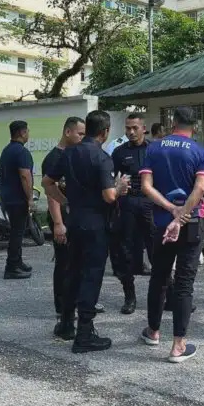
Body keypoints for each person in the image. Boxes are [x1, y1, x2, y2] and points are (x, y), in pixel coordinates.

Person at [44, 110, 129, 353]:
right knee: (91, 275)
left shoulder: (68, 153)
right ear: (104, 132)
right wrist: (119, 187)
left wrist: (67, 201)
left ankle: (65, 324)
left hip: (74, 221)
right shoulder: (102, 158)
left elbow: (47, 183)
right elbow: (108, 195)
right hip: (95, 224)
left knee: (72, 272)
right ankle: (84, 333)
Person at [139, 106, 204, 363]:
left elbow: (146, 187)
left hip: (160, 220)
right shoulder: (200, 151)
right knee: (183, 281)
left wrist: (170, 210)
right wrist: (182, 216)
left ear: (173, 122)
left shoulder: (154, 148)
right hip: (192, 222)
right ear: (195, 126)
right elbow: (200, 188)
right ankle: (178, 346)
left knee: (159, 276)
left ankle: (153, 332)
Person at [41, 117, 105, 321]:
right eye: (79, 133)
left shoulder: (74, 155)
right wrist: (59, 223)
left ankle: (78, 302)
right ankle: (62, 308)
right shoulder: (55, 158)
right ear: (67, 132)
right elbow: (50, 192)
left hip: (75, 217)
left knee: (76, 263)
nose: (83, 137)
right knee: (64, 264)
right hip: (63, 220)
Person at [110, 112, 156, 314]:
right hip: (127, 203)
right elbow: (111, 178)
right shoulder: (119, 152)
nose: (131, 132)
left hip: (150, 204)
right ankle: (129, 297)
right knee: (125, 251)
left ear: (143, 128)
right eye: (128, 128)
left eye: (135, 128)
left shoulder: (155, 149)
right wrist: (117, 187)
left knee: (157, 249)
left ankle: (168, 294)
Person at [0, 120, 35, 280]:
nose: (28, 134)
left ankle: (18, 262)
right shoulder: (21, 152)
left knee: (16, 231)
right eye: (27, 131)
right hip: (18, 199)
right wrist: (30, 198)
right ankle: (12, 266)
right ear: (22, 133)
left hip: (7, 197)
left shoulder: (7, 150)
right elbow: (25, 176)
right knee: (17, 233)